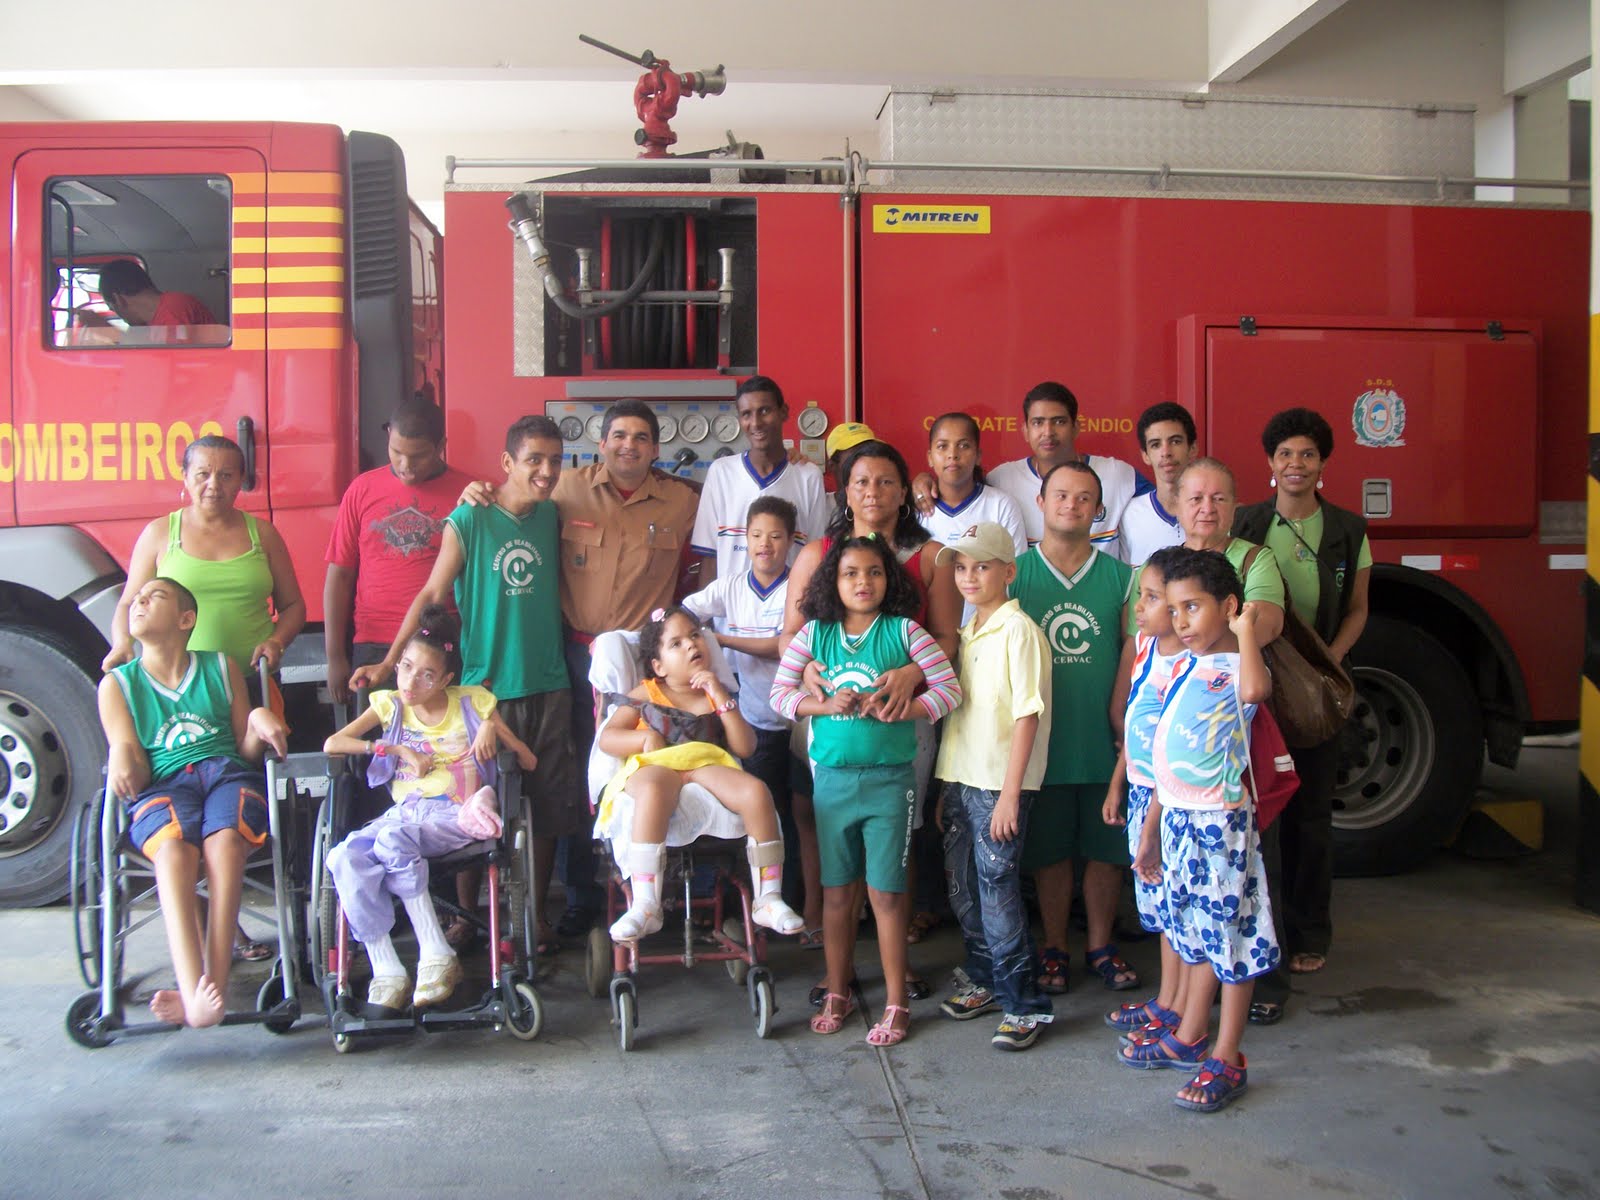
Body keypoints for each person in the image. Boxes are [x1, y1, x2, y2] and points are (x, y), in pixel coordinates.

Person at [355, 416, 584, 954]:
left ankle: (531, 917)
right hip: (484, 692)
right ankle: (467, 917)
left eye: (554, 460)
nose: (547, 472)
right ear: (507, 463)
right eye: (534, 460)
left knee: (547, 805)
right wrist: (390, 666)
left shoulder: (553, 514)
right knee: (469, 804)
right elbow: (432, 595)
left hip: (547, 683)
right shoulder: (470, 518)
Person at [784, 438, 962, 998]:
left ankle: (896, 965)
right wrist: (810, 675)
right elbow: (792, 637)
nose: (873, 492)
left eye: (886, 481)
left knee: (898, 836)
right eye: (861, 481)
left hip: (901, 717)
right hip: (834, 722)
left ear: (904, 490)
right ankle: (840, 971)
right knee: (839, 838)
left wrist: (914, 674)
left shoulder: (931, 556)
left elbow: (949, 639)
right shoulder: (818, 555)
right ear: (844, 489)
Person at [1123, 549, 1278, 1115]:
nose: (1183, 620)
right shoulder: (1188, 666)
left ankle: (1228, 1055)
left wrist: (1247, 633)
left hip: (1221, 825)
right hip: (1180, 823)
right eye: (1177, 608)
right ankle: (1192, 1036)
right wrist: (1151, 831)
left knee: (1229, 939)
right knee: (1191, 931)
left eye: (1195, 608)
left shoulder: (1240, 666)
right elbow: (1166, 756)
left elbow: (1257, 694)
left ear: (1229, 608)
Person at [97, 577, 289, 1028]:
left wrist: (260, 717)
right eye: (137, 599)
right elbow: (136, 771)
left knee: (225, 846)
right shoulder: (117, 686)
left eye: (154, 597)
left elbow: (244, 751)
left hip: (225, 772)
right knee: (173, 853)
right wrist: (122, 753)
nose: (139, 602)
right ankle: (190, 986)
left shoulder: (219, 668)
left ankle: (212, 989)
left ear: (186, 620)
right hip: (162, 783)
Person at [324, 607, 538, 1011]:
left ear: (446, 680)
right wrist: (391, 747)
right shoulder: (390, 706)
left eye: (426, 675)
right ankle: (387, 970)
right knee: (343, 856)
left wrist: (493, 727)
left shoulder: (473, 703)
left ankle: (437, 956)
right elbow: (333, 744)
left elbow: (527, 761)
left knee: (391, 839)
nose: (410, 681)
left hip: (456, 814)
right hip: (405, 815)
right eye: (405, 667)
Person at [553, 399, 701, 935]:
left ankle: (665, 889)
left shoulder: (684, 501)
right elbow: (513, 504)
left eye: (640, 438)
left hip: (643, 663)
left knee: (652, 766)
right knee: (576, 770)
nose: (628, 446)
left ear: (655, 449)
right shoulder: (566, 490)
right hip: (573, 654)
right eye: (618, 436)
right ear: (601, 441)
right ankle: (580, 897)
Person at [1233, 408, 1371, 976]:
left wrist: (1328, 662)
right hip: (1259, 683)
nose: (1296, 464)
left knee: (1312, 814)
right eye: (1285, 454)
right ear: (1269, 463)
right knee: (1261, 813)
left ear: (1323, 464)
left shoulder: (1347, 529)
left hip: (1313, 686)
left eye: (1308, 454)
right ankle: (1266, 930)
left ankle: (1310, 929)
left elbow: (1359, 608)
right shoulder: (1246, 523)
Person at [1164, 455, 1290, 1022]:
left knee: (1239, 900)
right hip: (1180, 794)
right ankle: (1190, 1020)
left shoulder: (1253, 561)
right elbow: (1147, 634)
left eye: (1218, 498)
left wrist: (1221, 634)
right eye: (1195, 498)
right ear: (1177, 505)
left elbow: (1261, 630)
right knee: (1192, 909)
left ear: (1236, 507)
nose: (1206, 508)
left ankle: (1252, 1001)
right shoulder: (1166, 566)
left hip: (1228, 776)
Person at [595, 606, 804, 941]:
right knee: (652, 790)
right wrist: (643, 736)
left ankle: (768, 897)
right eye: (676, 643)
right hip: (658, 764)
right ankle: (647, 903)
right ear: (658, 666)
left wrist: (721, 698)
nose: (692, 645)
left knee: (755, 792)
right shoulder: (646, 693)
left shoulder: (714, 693)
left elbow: (746, 747)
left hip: (706, 763)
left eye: (694, 636)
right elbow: (608, 738)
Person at [1010, 461, 1136, 996]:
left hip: (1103, 745)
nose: (1072, 505)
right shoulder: (1013, 574)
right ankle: (1055, 947)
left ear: (1098, 511)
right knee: (1050, 855)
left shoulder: (1123, 578)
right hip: (1040, 747)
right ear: (1040, 503)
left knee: (1108, 853)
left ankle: (1101, 946)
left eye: (1084, 498)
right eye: (1060, 495)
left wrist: (1127, 726)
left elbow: (1134, 656)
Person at [932, 523, 1054, 1051]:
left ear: (1008, 571)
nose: (969, 577)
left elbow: (1027, 716)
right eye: (961, 567)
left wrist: (1010, 794)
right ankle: (984, 978)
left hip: (999, 789)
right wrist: (945, 787)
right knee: (962, 888)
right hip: (961, 780)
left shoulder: (1019, 630)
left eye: (981, 567)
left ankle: (1024, 1004)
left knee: (998, 891)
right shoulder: (968, 631)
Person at [683, 496, 821, 943]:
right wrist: (696, 637)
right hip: (755, 724)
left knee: (803, 818)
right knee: (764, 818)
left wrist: (722, 638)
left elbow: (786, 645)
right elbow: (682, 616)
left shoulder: (801, 587)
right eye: (757, 535)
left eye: (776, 536)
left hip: (799, 722)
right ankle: (759, 915)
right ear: (745, 538)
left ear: (791, 541)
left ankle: (800, 908)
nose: (766, 545)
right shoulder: (729, 586)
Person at [103, 435, 306, 683]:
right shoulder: (160, 533)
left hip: (255, 680)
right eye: (203, 474)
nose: (214, 485)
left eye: (226, 476)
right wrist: (122, 643)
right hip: (183, 686)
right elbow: (128, 604)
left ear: (241, 480)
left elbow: (293, 606)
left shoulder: (263, 534)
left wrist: (276, 642)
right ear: (185, 476)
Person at [324, 396, 475, 706]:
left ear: (441, 445)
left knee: (440, 748)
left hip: (440, 645)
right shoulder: (362, 490)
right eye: (396, 452)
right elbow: (339, 575)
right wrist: (335, 656)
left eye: (418, 456)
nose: (406, 466)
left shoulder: (467, 493)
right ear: (388, 436)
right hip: (373, 643)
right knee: (378, 748)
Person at [1101, 545, 1193, 1044]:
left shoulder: (1189, 665)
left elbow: (1168, 753)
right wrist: (1118, 783)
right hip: (1140, 793)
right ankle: (1166, 998)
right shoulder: (1145, 648)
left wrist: (1151, 826)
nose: (1140, 605)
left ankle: (1178, 1008)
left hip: (1171, 804)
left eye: (1153, 597)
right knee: (1158, 905)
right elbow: (1135, 731)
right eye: (1142, 595)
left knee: (1177, 906)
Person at [984, 381, 1150, 560]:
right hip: (1028, 587)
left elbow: (1162, 508)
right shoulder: (1002, 479)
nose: (1048, 432)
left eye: (1059, 421)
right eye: (1038, 423)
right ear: (1025, 431)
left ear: (1075, 427)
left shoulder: (1117, 474)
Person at [690, 376, 829, 584]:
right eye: (747, 414)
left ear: (784, 412)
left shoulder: (808, 475)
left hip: (788, 611)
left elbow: (817, 558)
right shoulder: (721, 472)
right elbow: (710, 556)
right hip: (730, 614)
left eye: (765, 411)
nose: (755, 423)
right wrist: (705, 615)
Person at [1119, 403, 1196, 566]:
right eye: (1155, 444)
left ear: (1192, 448)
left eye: (1175, 441)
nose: (1166, 452)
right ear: (1145, 455)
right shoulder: (1129, 514)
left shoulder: (1212, 510)